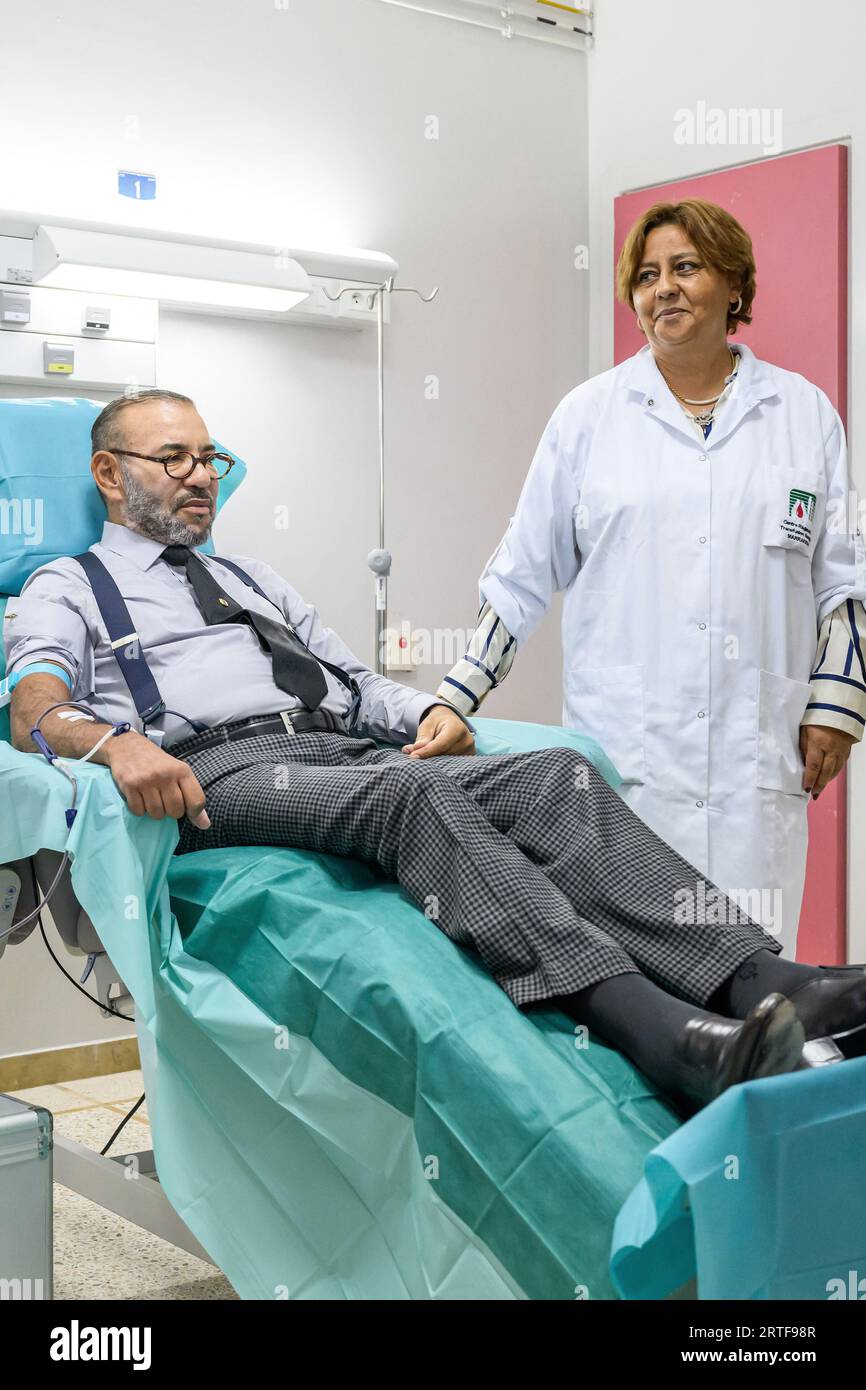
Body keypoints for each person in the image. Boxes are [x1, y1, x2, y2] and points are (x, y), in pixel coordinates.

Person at [6, 389, 866, 1116]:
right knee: (413, 799)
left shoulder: (255, 580)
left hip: (335, 751)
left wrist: (430, 710)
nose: (201, 477)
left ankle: (762, 979)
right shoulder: (70, 586)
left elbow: (350, 680)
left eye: (210, 459)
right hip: (214, 776)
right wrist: (113, 743)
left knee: (552, 778)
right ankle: (661, 1035)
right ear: (109, 473)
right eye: (174, 459)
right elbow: (32, 706)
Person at [436, 197, 866, 957]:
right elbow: (520, 577)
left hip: (752, 762)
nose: (662, 287)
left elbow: (844, 579)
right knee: (633, 991)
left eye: (686, 268)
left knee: (758, 986)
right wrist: (454, 698)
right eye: (646, 275)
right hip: (627, 763)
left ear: (735, 286)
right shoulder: (587, 417)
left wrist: (836, 707)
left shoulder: (804, 415)